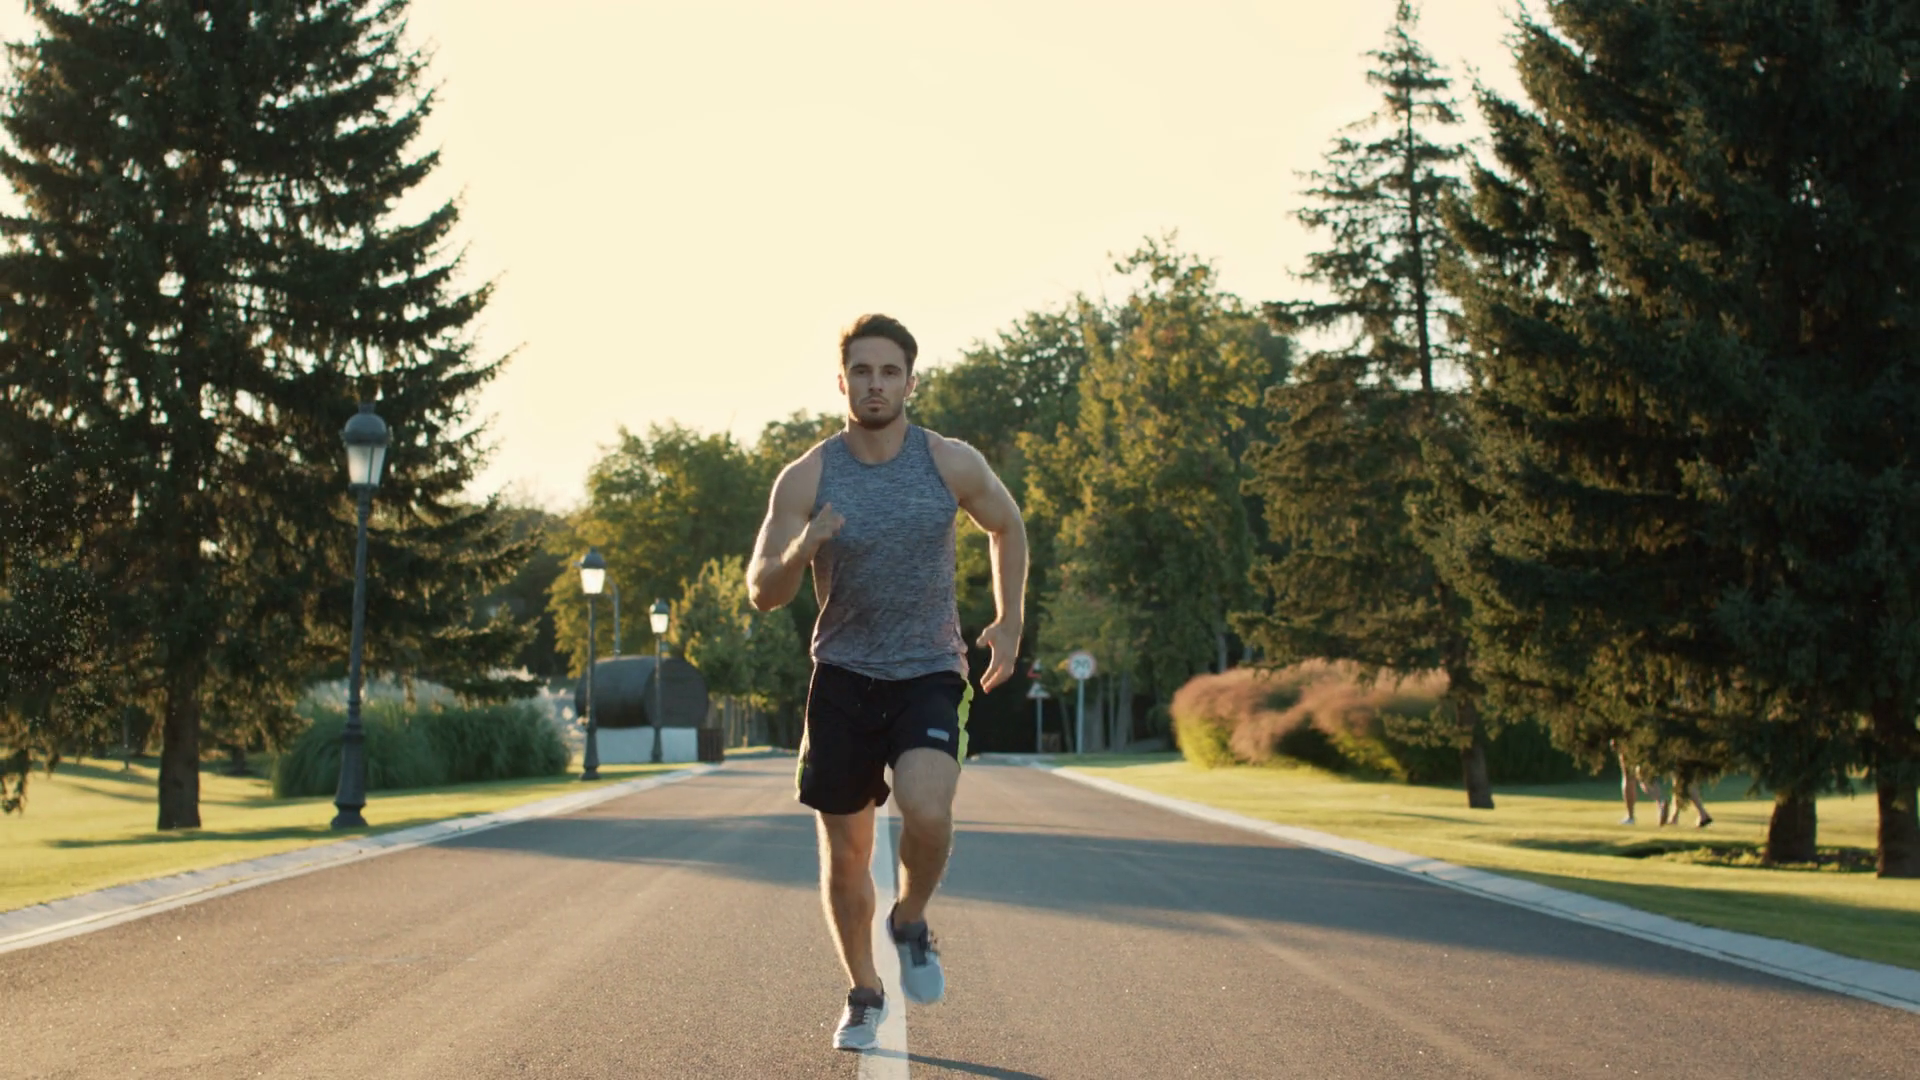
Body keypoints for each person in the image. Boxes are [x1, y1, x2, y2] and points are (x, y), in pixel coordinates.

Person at [746, 313, 1028, 1052]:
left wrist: (1010, 619)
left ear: (909, 380)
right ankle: (865, 992)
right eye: (862, 372)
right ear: (842, 382)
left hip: (929, 670)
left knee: (928, 809)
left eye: (889, 372)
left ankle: (910, 918)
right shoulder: (807, 475)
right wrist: (803, 546)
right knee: (845, 851)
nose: (876, 384)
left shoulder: (948, 462)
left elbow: (1008, 524)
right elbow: (762, 591)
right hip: (841, 676)